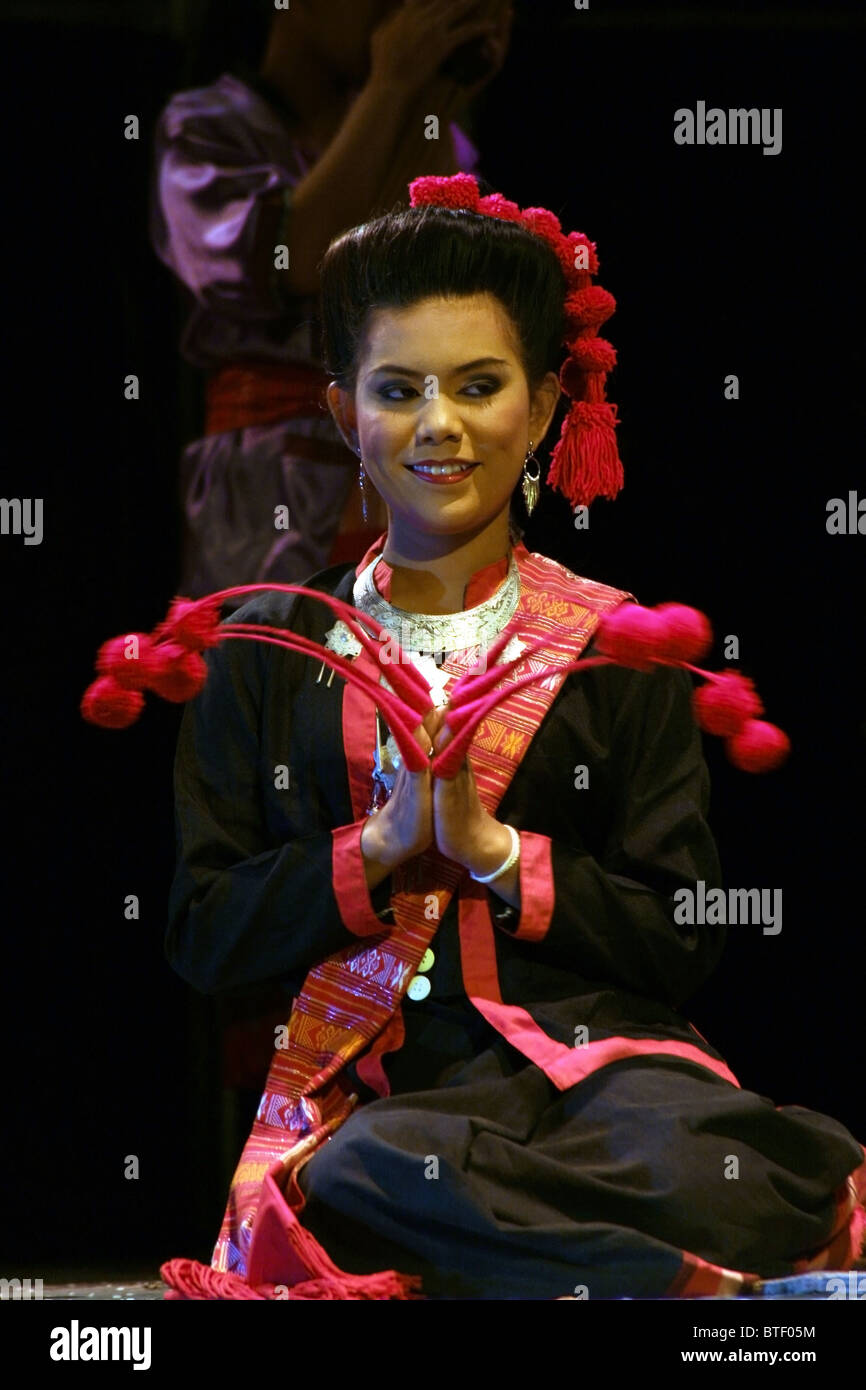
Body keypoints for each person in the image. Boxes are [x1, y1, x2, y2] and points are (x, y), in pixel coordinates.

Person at [160, 175, 866, 1300]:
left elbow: (679, 939)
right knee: (365, 1173)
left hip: (604, 1091)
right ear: (346, 414)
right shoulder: (271, 645)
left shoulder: (620, 646)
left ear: (540, 410)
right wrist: (379, 848)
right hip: (386, 1099)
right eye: (399, 389)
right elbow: (203, 934)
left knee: (741, 1164)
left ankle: (585, 1266)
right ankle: (698, 1293)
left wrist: (492, 849)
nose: (438, 423)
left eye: (478, 387)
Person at [149, 0, 512, 603]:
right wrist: (392, 83)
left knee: (415, 679)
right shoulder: (208, 124)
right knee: (276, 666)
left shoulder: (424, 127)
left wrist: (439, 89)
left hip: (406, 461)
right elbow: (291, 258)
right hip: (268, 476)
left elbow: (444, 283)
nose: (393, 15)